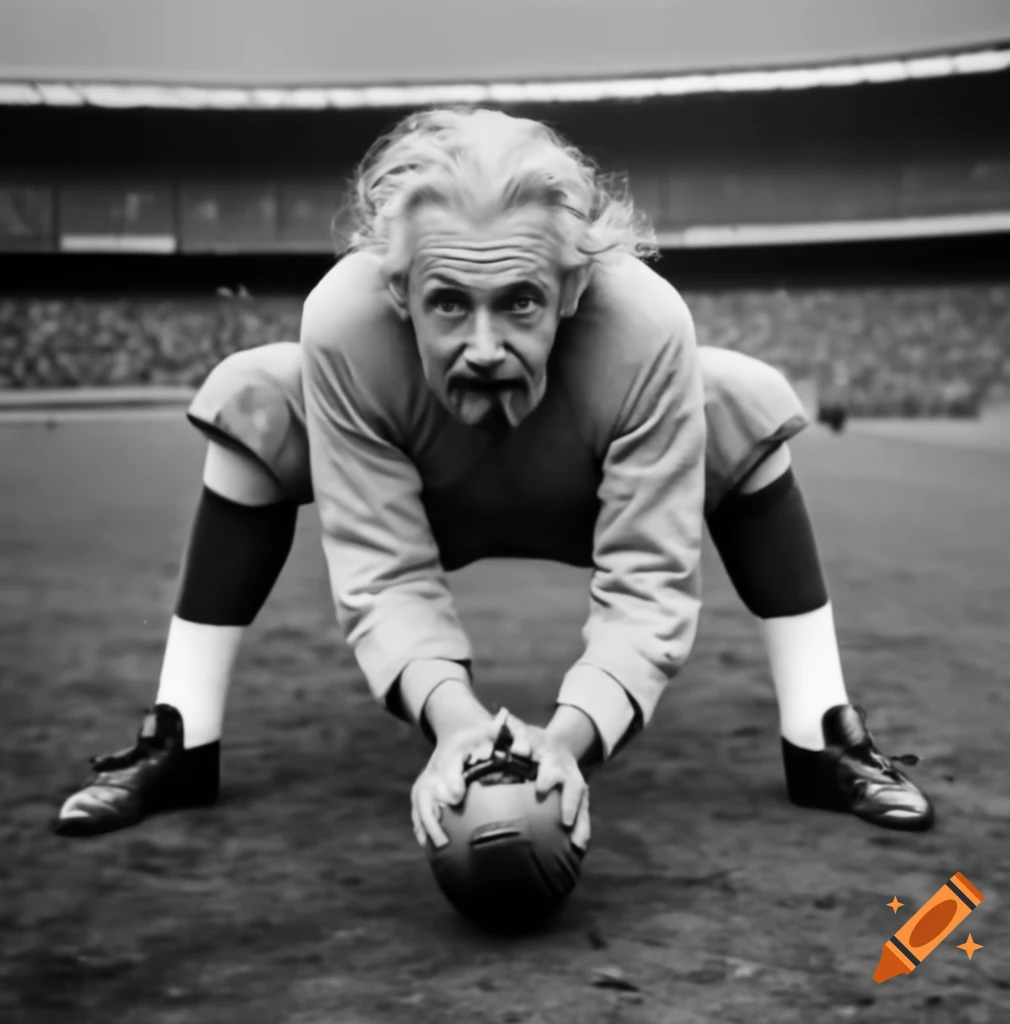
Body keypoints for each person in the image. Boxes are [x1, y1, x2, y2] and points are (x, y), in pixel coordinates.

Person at [54, 107, 933, 844]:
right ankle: (181, 736)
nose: (482, 348)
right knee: (250, 394)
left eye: (519, 301)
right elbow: (384, 574)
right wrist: (457, 723)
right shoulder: (342, 321)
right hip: (428, 496)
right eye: (447, 303)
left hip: (580, 501)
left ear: (575, 289)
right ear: (397, 293)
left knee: (740, 398)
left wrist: (572, 738)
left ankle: (822, 735)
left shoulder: (648, 324)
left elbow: (648, 587)